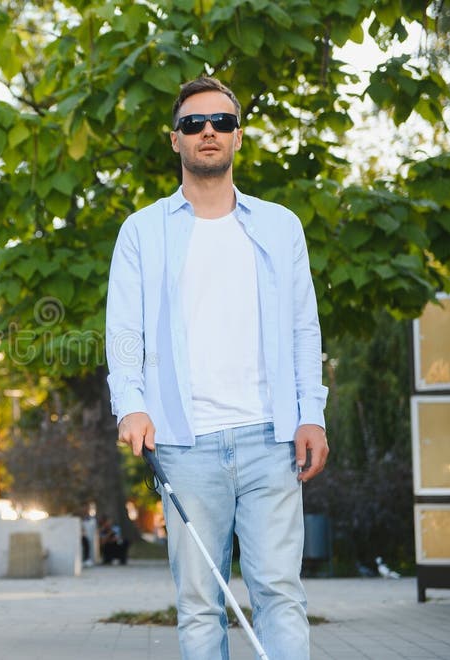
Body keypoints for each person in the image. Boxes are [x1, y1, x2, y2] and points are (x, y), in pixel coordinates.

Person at [105, 76, 329, 660]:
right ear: (174, 139)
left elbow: (305, 328)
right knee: (200, 604)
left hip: (271, 441)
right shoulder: (142, 231)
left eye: (221, 123)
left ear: (237, 136)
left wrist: (313, 415)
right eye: (194, 124)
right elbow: (124, 333)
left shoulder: (281, 227)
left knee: (280, 592)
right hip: (184, 446)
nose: (209, 132)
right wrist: (131, 404)